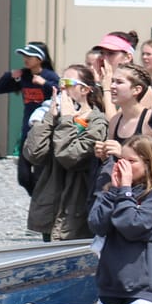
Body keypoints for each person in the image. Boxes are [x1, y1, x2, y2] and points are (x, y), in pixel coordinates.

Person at [89, 134, 152, 304]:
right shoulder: (111, 191)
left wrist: (125, 191)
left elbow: (133, 226)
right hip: (111, 285)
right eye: (120, 161)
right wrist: (114, 192)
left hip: (142, 286)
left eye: (131, 161)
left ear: (148, 163)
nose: (123, 166)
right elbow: (97, 224)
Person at [25, 66, 107, 241]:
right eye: (61, 82)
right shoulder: (57, 117)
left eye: (68, 83)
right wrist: (49, 118)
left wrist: (67, 120)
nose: (62, 88)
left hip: (77, 212)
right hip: (50, 208)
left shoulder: (97, 122)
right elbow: (33, 154)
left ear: (85, 89)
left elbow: (70, 157)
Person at [0, 40, 60, 191]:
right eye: (24, 56)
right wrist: (9, 75)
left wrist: (44, 83)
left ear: (39, 59)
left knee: (39, 174)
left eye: (29, 56)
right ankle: (37, 198)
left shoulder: (50, 76)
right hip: (27, 129)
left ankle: (41, 205)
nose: (25, 59)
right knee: (23, 177)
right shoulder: (24, 76)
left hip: (45, 131)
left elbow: (62, 94)